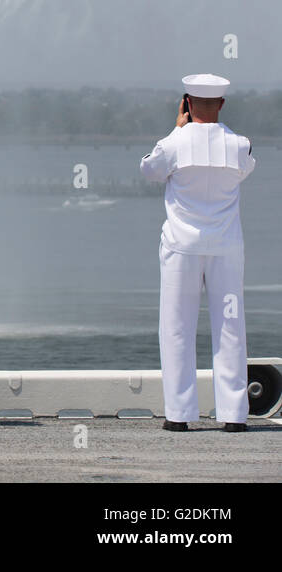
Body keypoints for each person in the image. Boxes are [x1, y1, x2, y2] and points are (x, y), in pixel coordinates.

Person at [140, 74, 255, 432]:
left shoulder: (173, 143)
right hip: (224, 247)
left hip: (182, 247)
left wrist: (177, 131)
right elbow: (247, 170)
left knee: (176, 327)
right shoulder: (239, 145)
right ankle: (234, 415)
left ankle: (179, 414)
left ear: (187, 104)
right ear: (221, 103)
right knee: (230, 328)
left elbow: (149, 171)